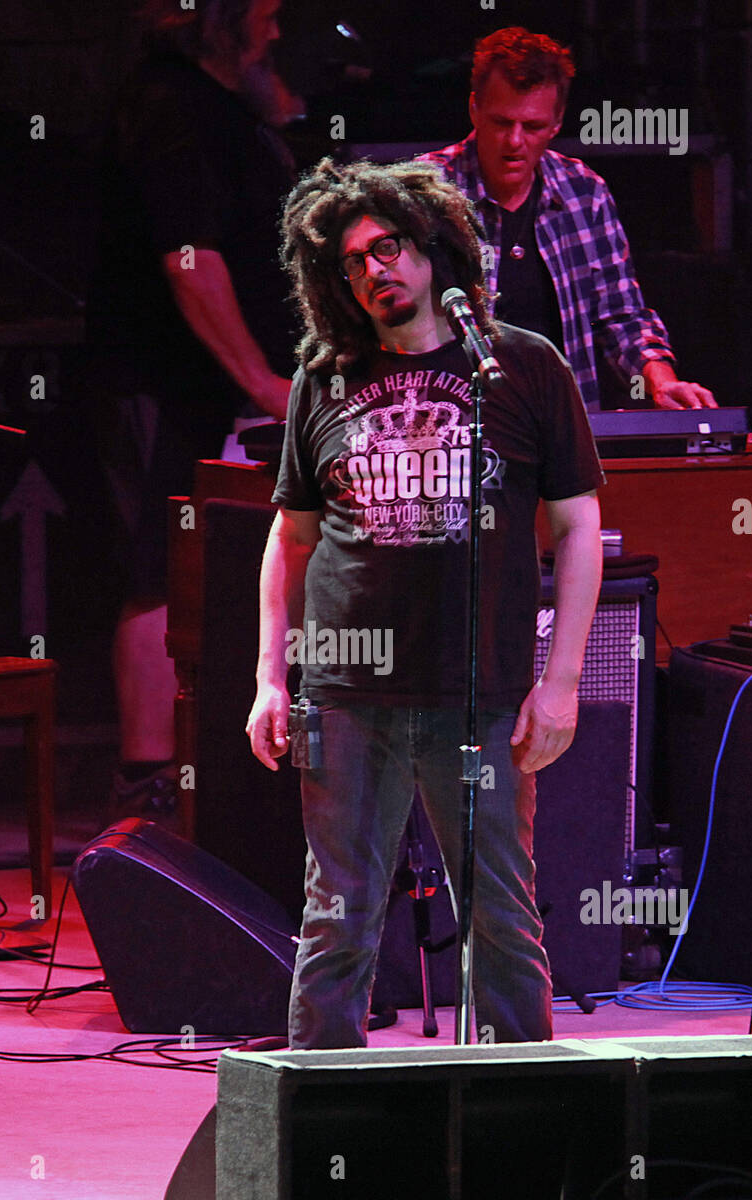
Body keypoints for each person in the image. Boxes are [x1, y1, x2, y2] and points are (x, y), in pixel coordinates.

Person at [245, 157, 605, 1048]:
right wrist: (270, 680)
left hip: (479, 692)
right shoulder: (325, 379)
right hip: (346, 694)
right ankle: (322, 1138)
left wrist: (560, 684)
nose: (376, 269)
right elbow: (287, 541)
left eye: (391, 247)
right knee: (338, 917)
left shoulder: (520, 367)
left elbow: (580, 530)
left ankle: (528, 1133)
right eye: (353, 260)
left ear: (436, 248)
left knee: (502, 917)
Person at [87, 0, 300, 823]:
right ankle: (143, 792)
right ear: (222, 18)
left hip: (206, 390)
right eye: (267, 15)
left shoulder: (228, 111)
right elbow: (188, 259)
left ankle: (192, 784)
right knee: (156, 575)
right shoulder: (172, 105)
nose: (277, 32)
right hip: (162, 381)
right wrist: (257, 379)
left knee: (191, 572)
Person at [418, 26, 718, 414]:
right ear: (474, 108)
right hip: (455, 431)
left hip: (560, 431)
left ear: (558, 122)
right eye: (501, 123)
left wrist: (662, 384)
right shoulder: (424, 193)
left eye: (533, 126)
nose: (514, 142)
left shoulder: (584, 192)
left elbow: (622, 316)